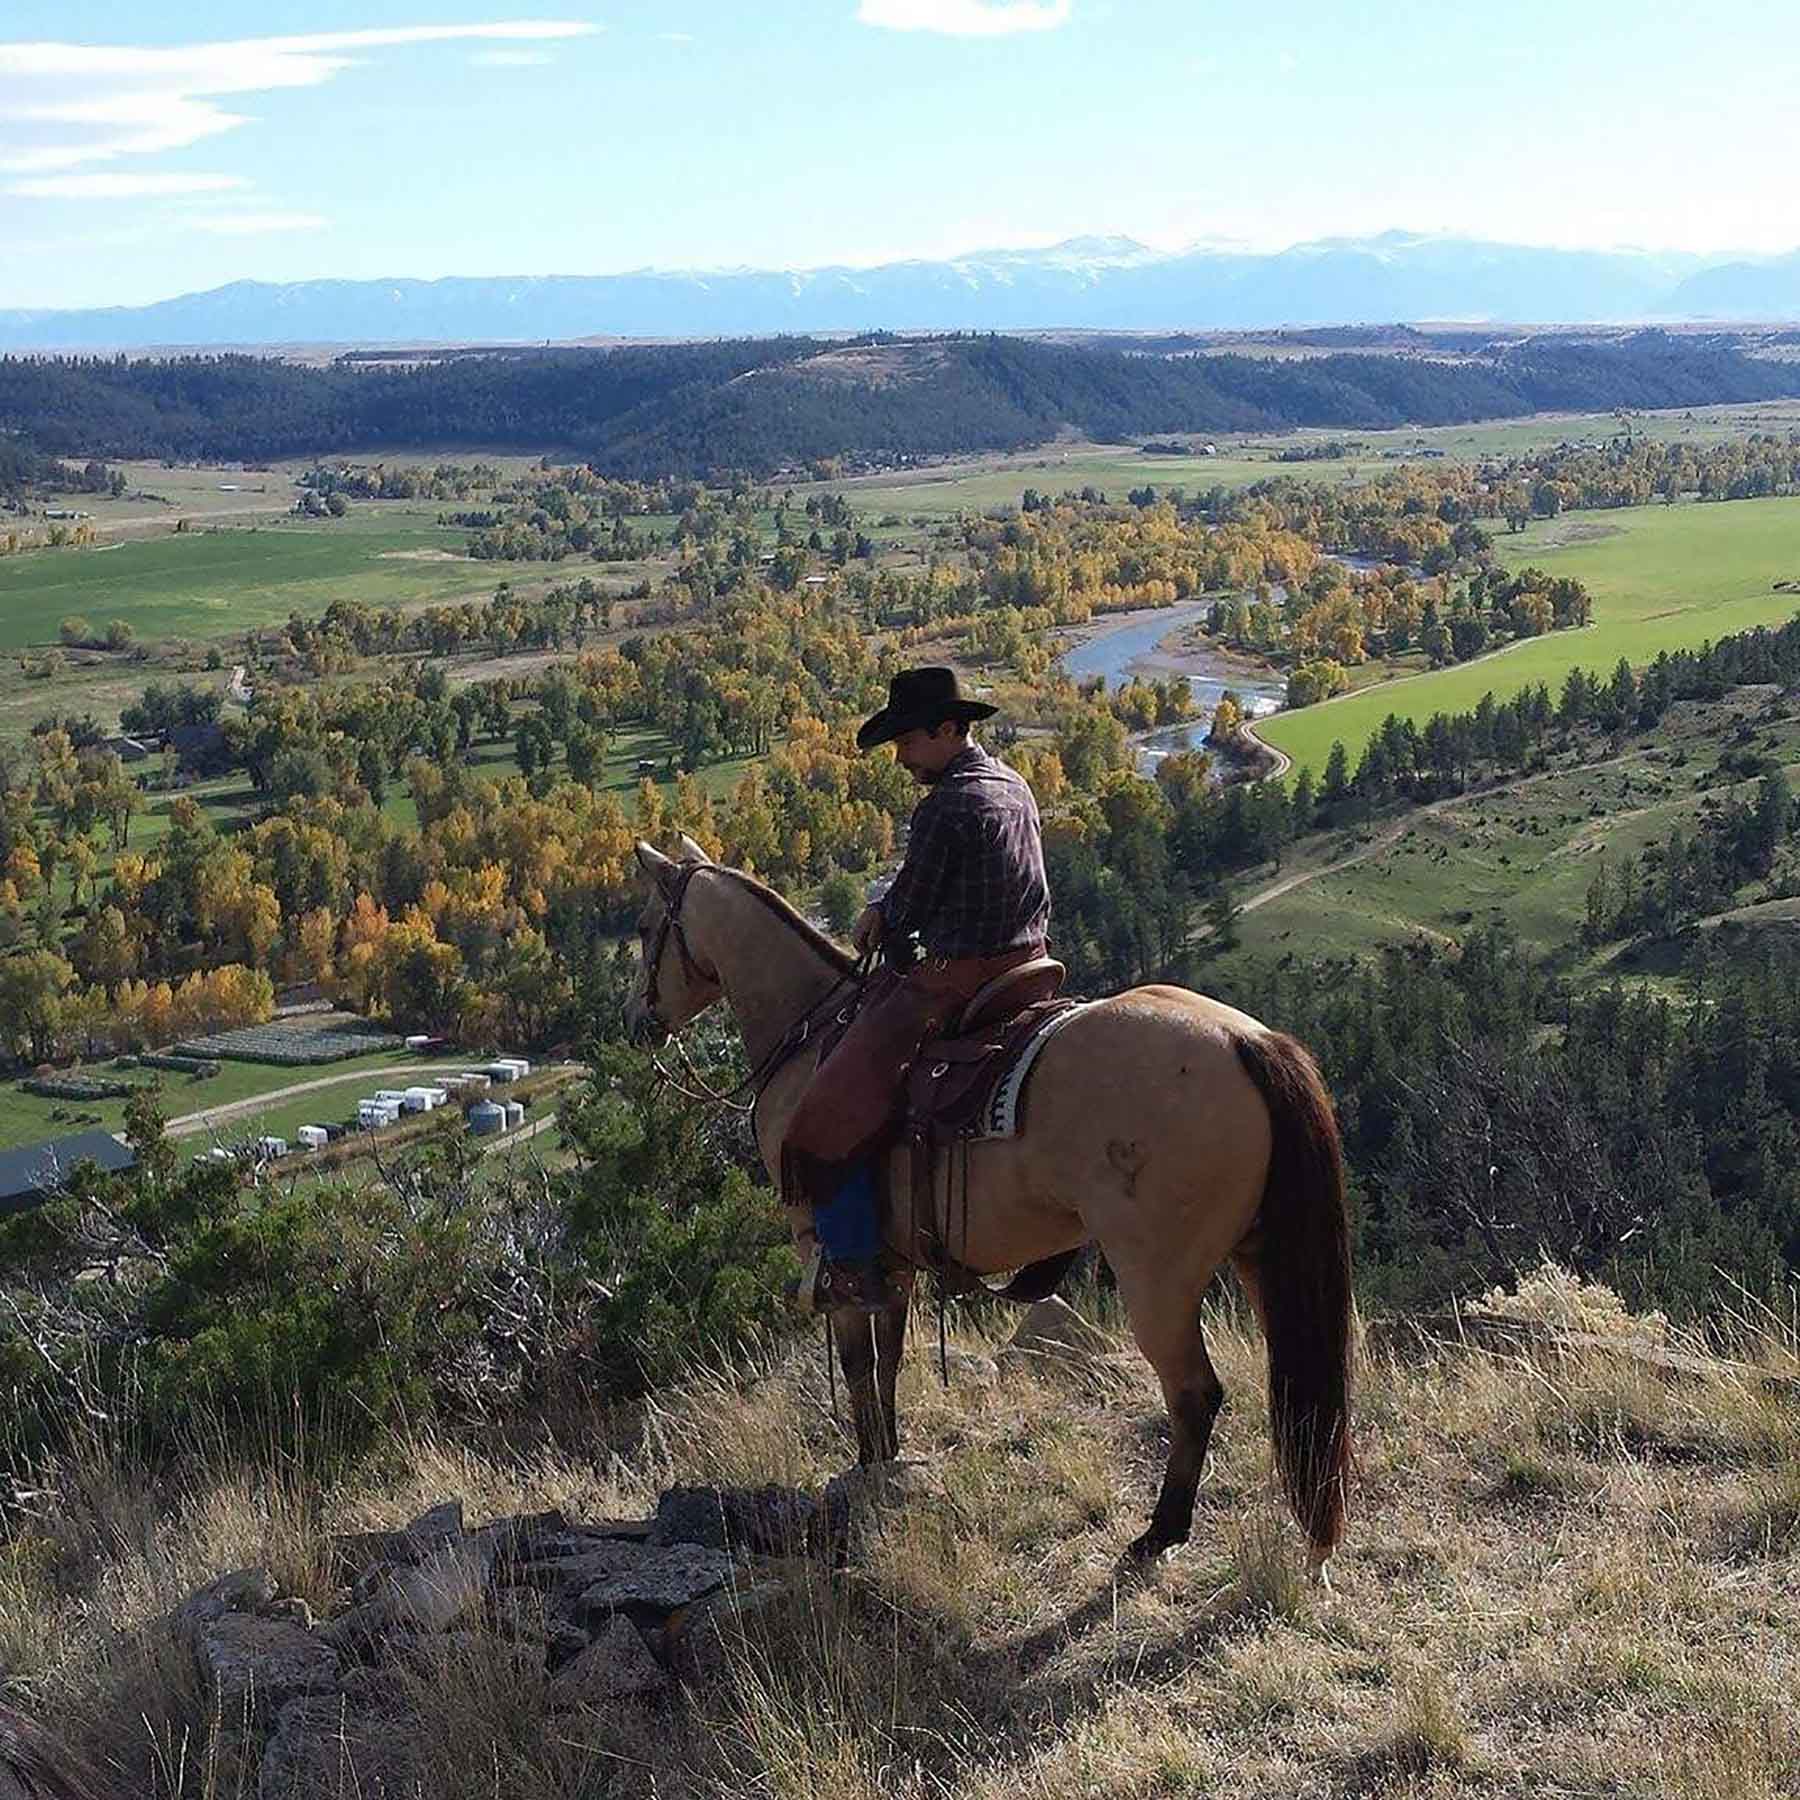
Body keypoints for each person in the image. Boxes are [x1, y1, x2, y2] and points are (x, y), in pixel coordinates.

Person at [783, 666, 1050, 1312]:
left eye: (907, 741)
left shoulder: (946, 806)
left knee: (833, 1094)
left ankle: (851, 1263)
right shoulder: (1013, 785)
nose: (901, 756)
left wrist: (880, 916)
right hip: (1033, 965)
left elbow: (911, 907)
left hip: (960, 979)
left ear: (948, 729)